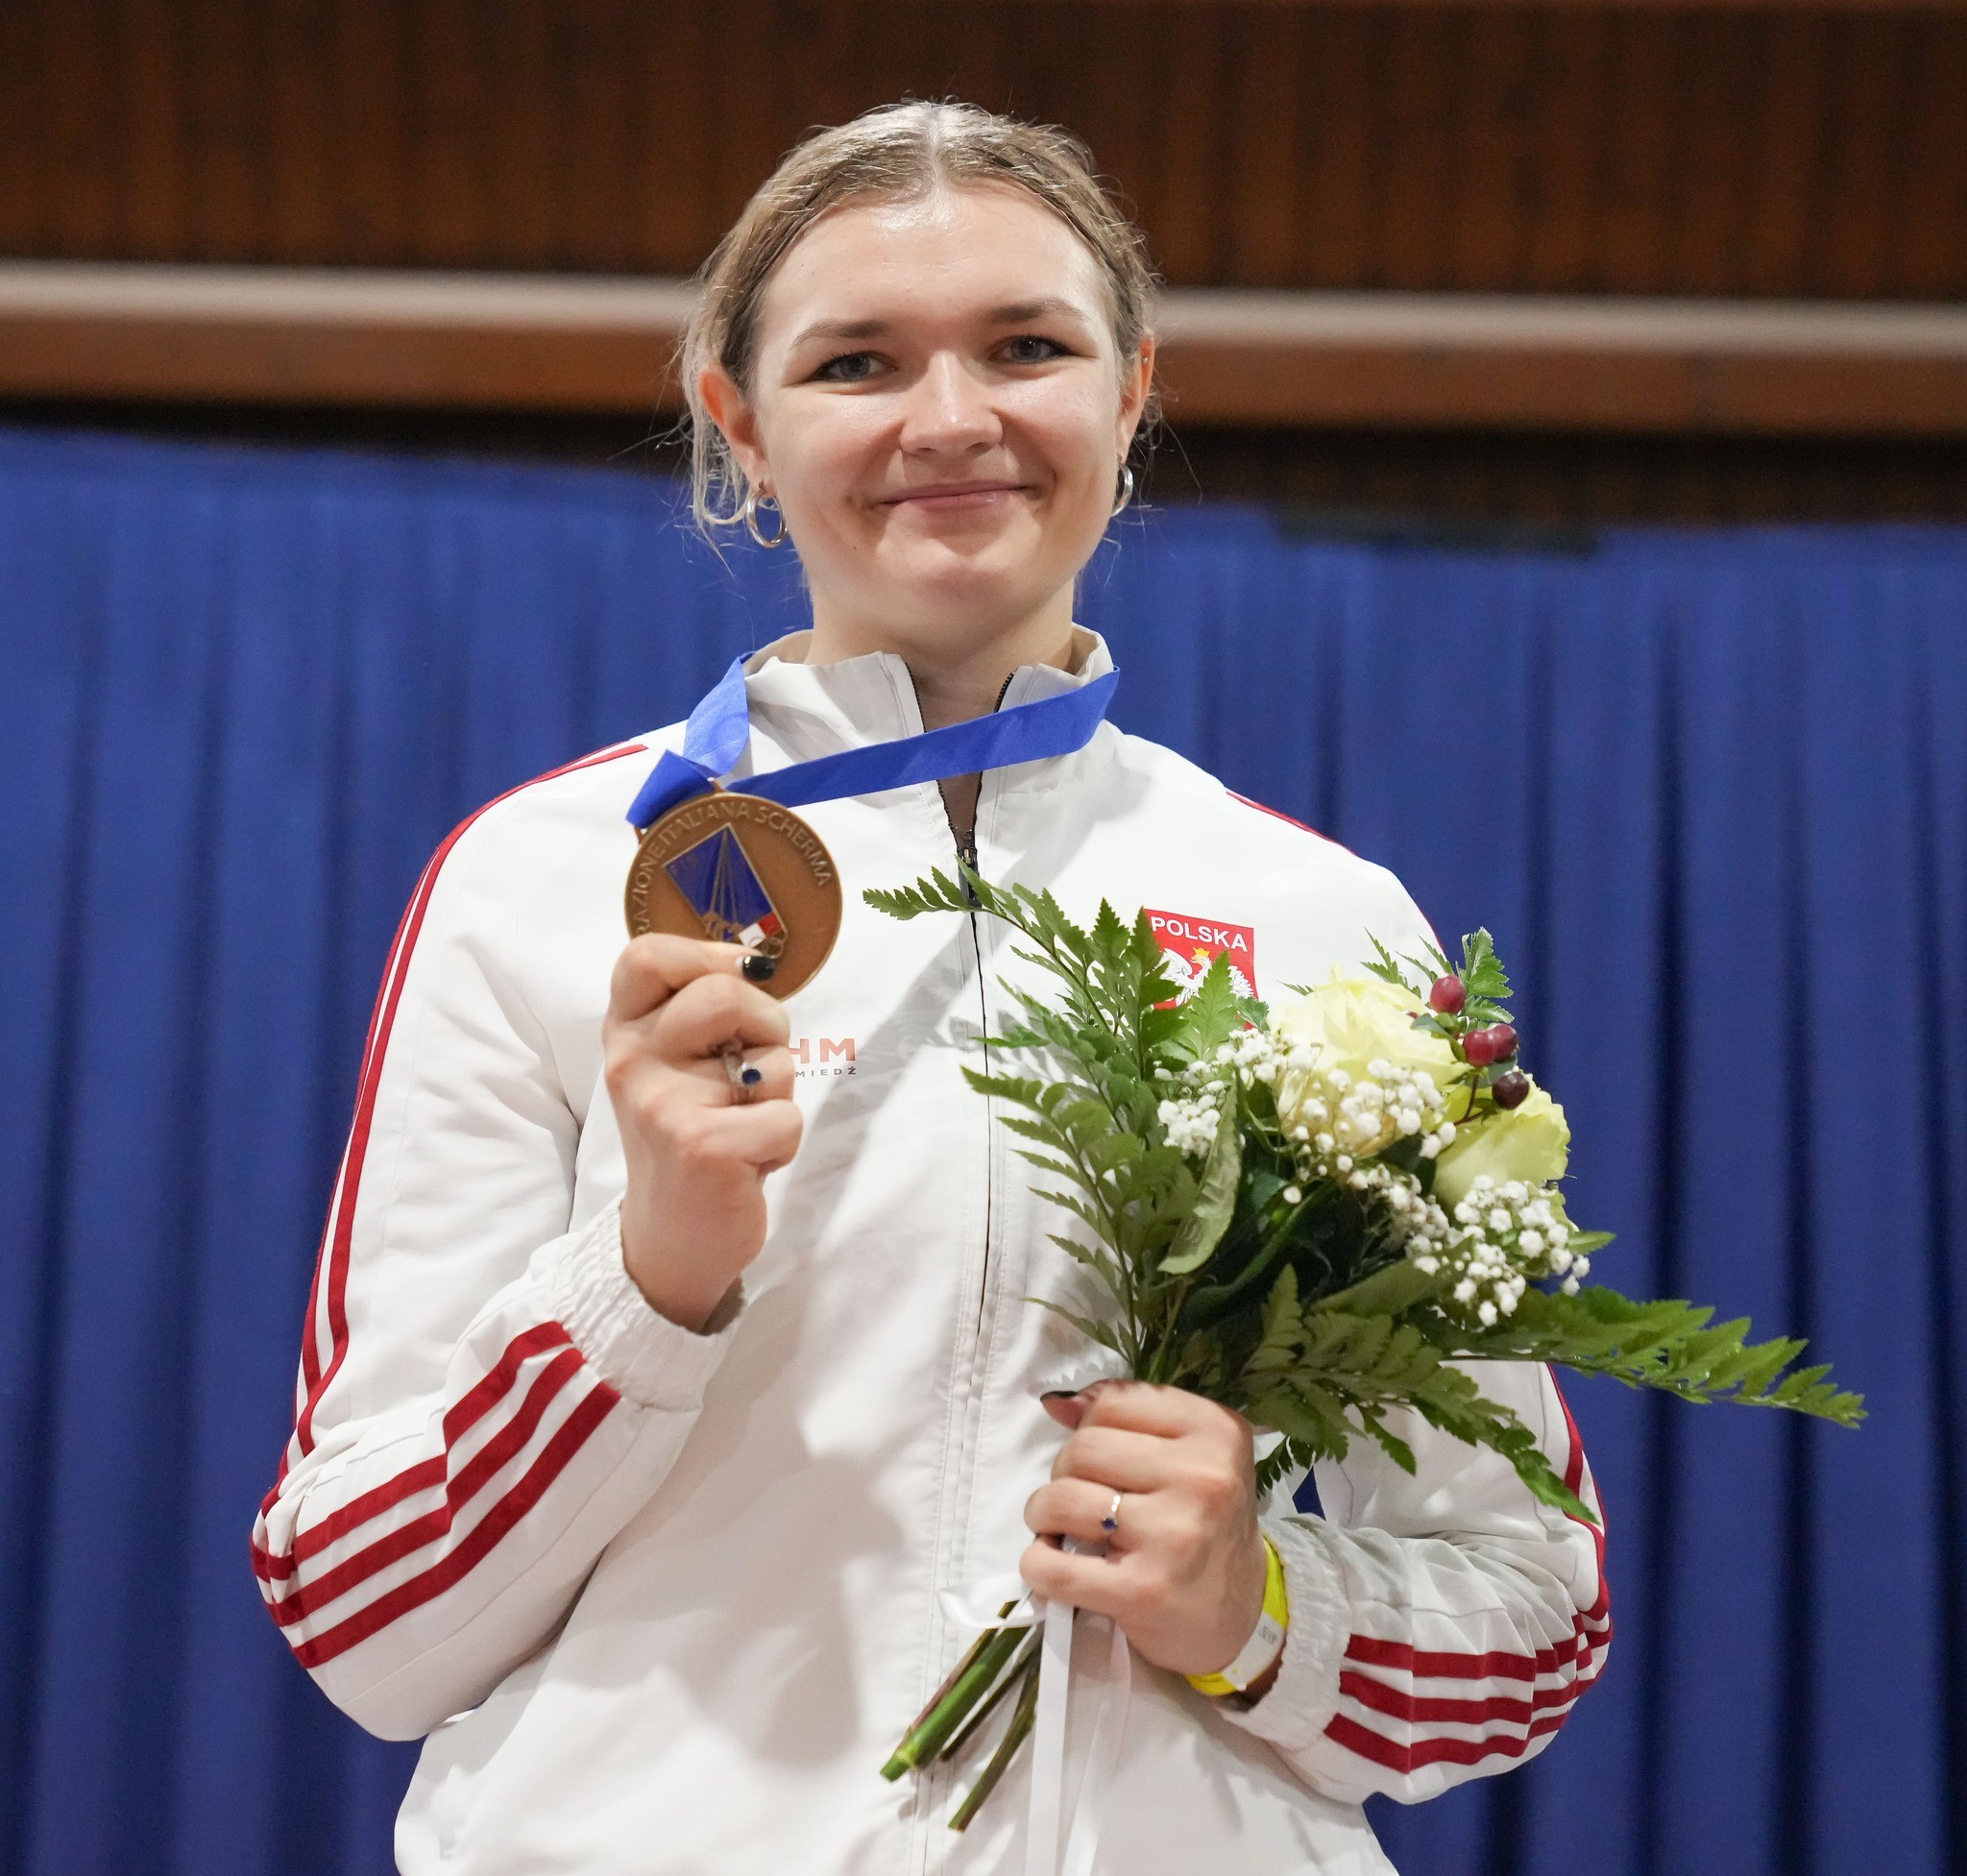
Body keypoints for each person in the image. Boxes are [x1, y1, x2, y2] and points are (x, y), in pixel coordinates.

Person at [254, 101, 1607, 1874]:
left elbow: (1533, 1614)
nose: (952, 419)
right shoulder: (539, 878)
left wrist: (1260, 1606)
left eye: (1028, 348)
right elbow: (360, 1619)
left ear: (1132, 394)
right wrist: (643, 1283)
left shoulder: (1326, 919)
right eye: (859, 362)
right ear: (743, 426)